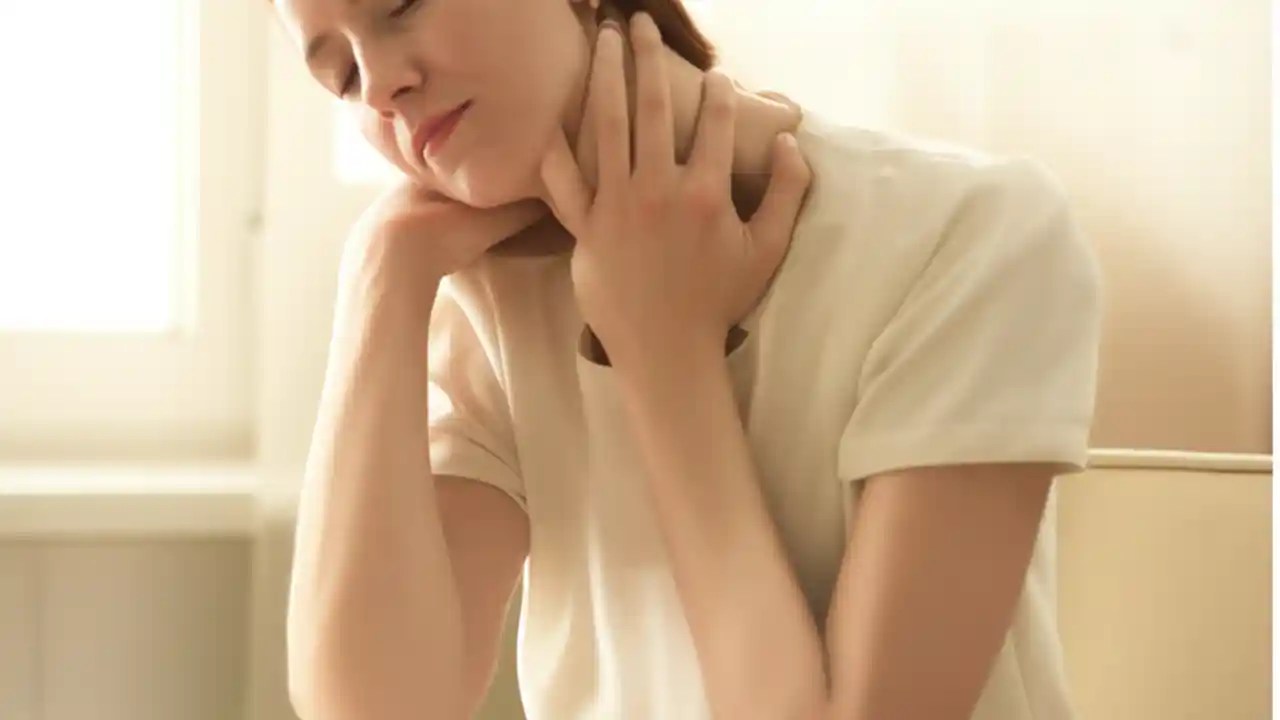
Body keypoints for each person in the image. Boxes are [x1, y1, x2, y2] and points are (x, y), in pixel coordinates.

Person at [274, 0, 1103, 718]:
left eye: (405, 3)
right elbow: (380, 707)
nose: (379, 84)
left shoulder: (970, 235)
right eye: (341, 77)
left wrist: (665, 355)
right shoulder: (489, 295)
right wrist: (381, 272)